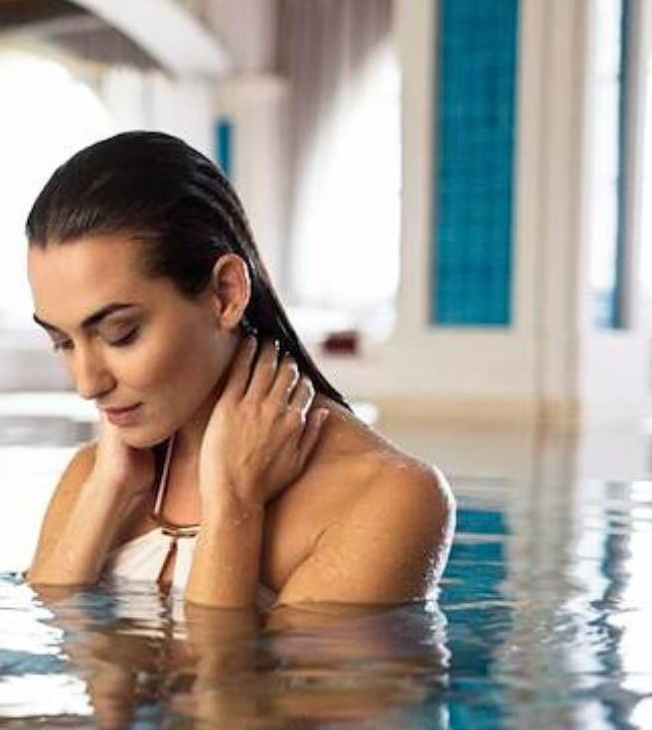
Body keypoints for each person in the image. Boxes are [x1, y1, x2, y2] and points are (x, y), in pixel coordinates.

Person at [24, 131, 454, 609]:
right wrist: (106, 494)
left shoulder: (386, 498)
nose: (87, 384)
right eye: (62, 341)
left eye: (121, 333)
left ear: (225, 294)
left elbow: (228, 684)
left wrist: (234, 505)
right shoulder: (98, 470)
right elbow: (53, 649)